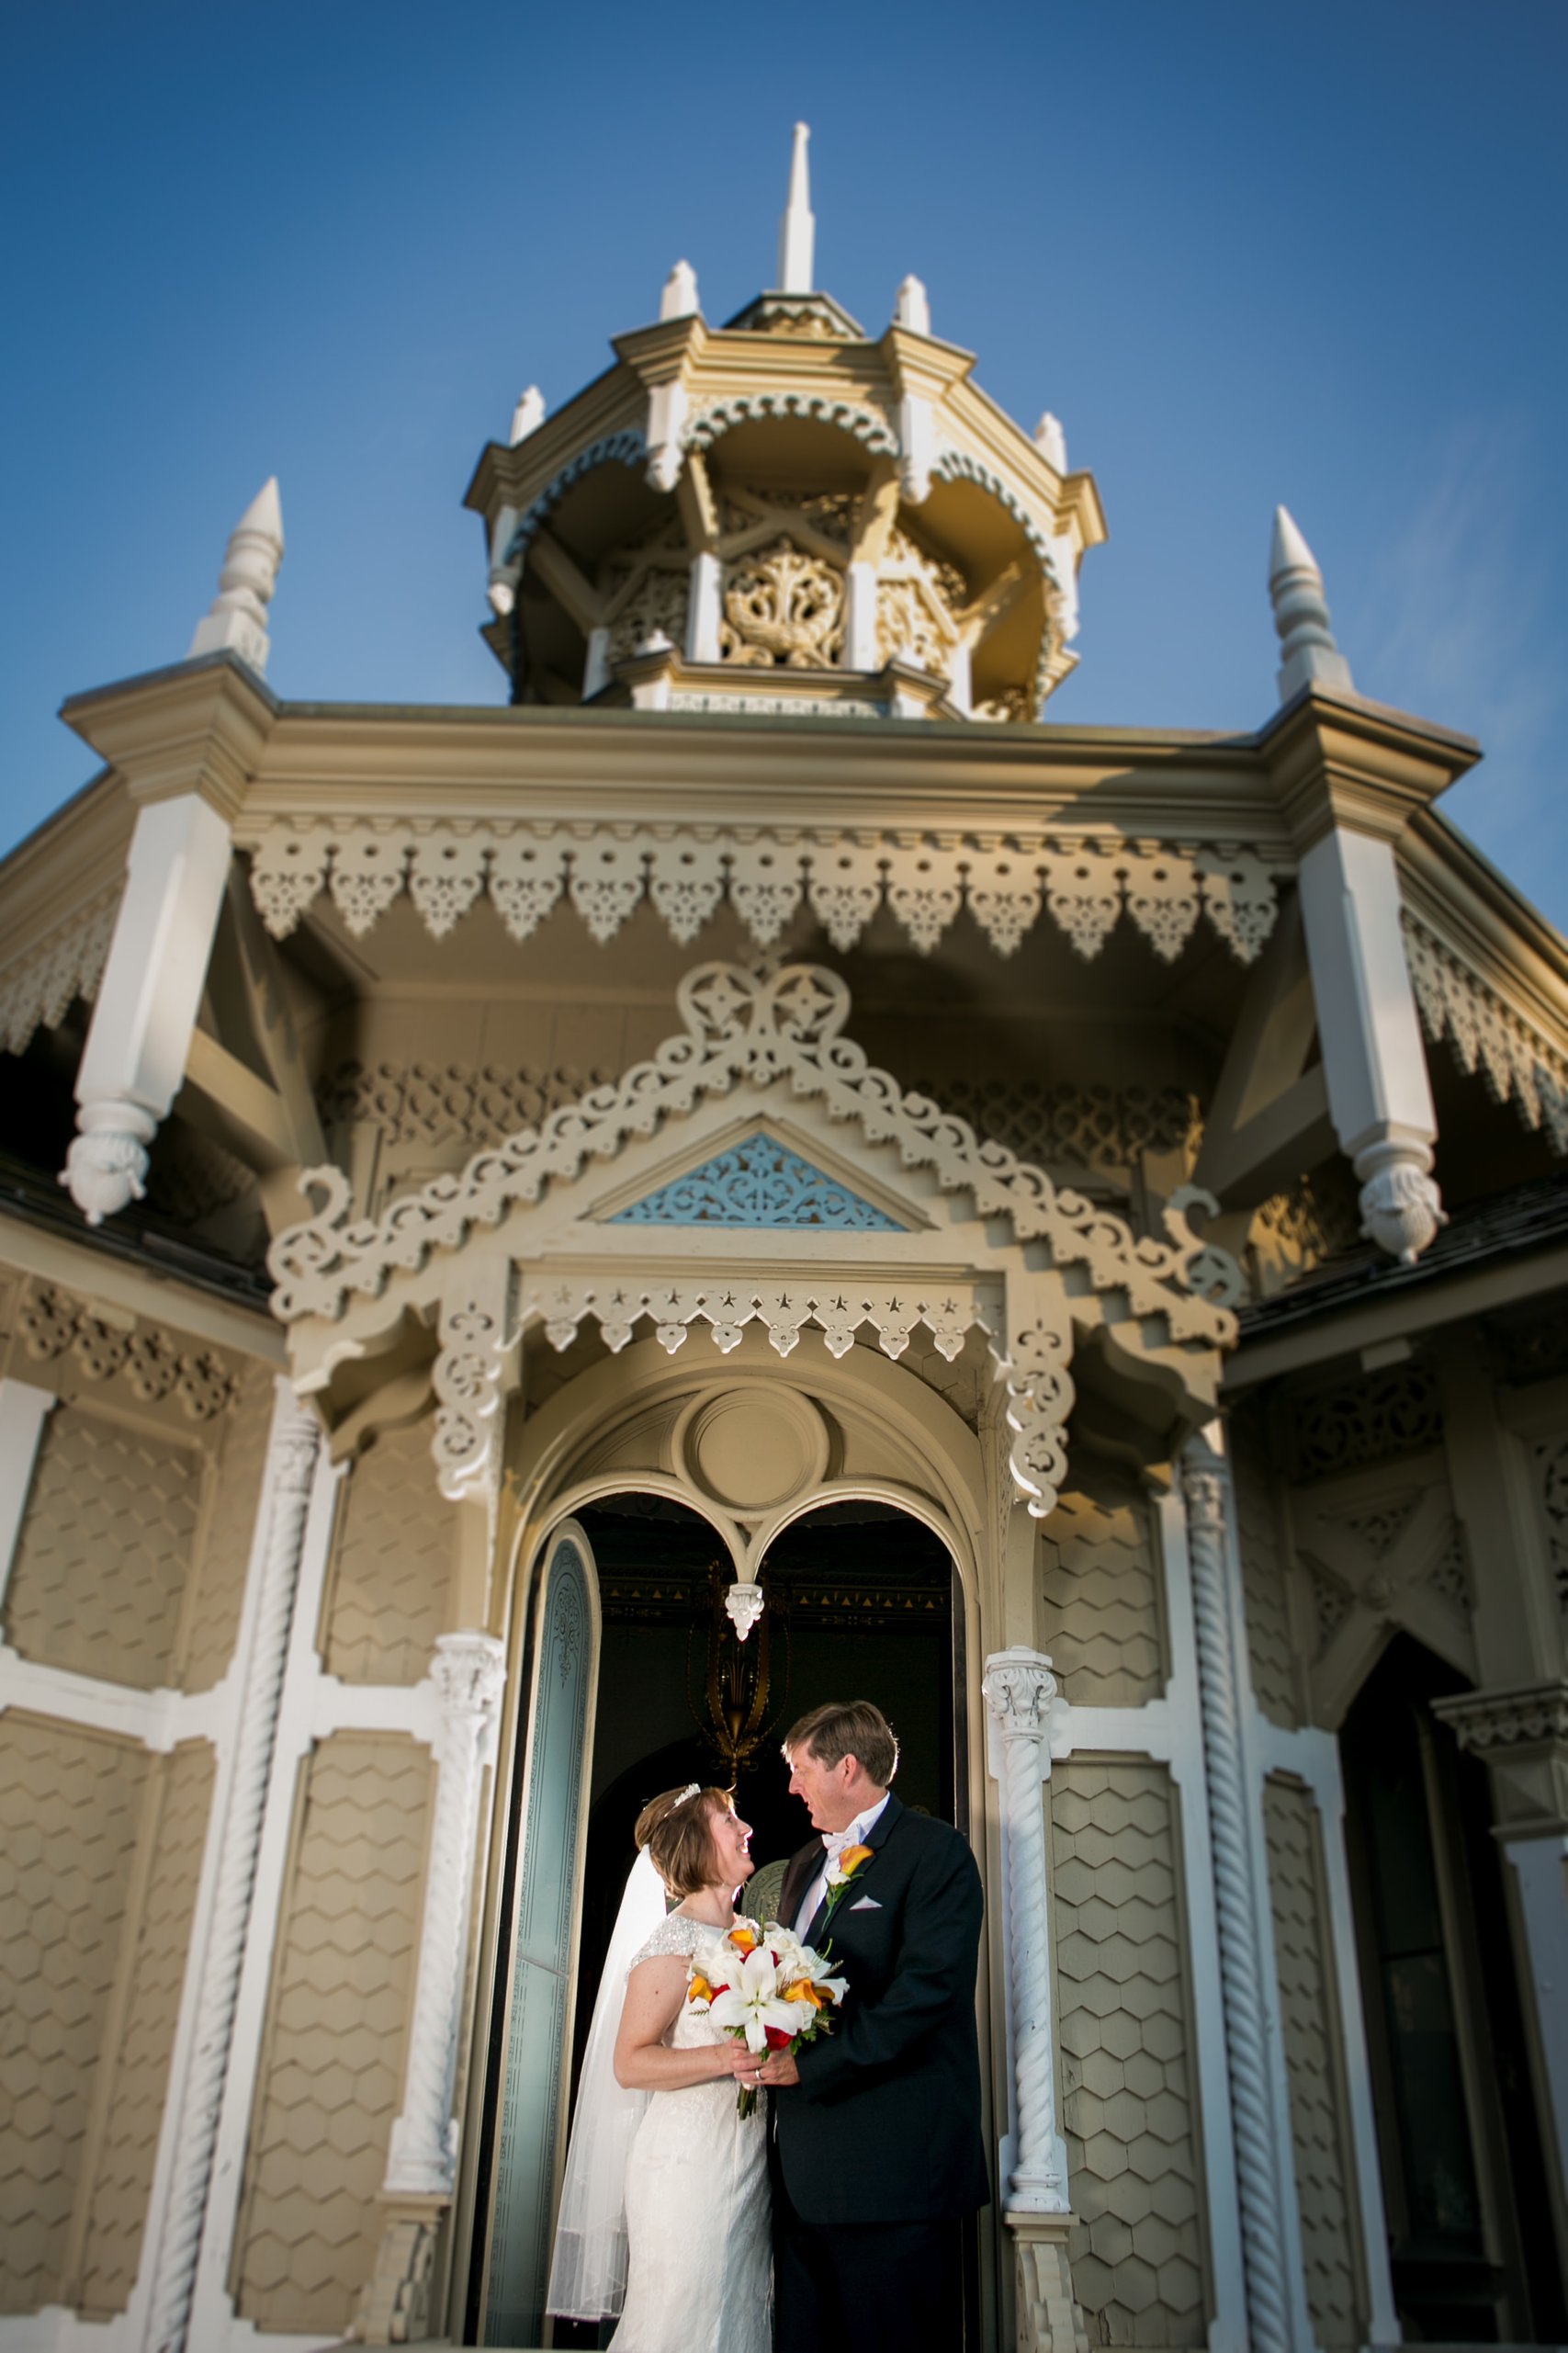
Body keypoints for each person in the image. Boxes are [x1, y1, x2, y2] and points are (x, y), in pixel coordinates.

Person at [753, 1699, 990, 2353]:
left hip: (894, 2180)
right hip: (800, 2180)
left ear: (847, 1767)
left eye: (801, 1769)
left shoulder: (935, 1853)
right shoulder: (803, 1862)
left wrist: (811, 2064)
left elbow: (924, 1997)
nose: (792, 1786)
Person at [546, 1782, 773, 2351]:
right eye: (729, 1819)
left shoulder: (753, 1939)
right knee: (683, 2313)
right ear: (697, 1845)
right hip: (687, 2166)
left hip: (746, 2162)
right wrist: (726, 2056)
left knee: (737, 2310)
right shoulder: (672, 1944)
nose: (746, 1828)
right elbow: (630, 2062)